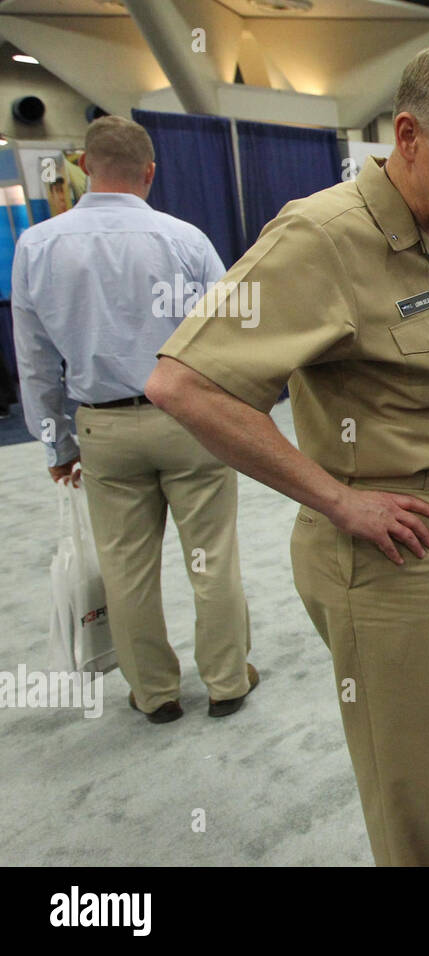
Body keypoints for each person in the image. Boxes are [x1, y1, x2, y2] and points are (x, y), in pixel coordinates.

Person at [144, 45, 429, 866]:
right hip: (384, 545)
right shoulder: (322, 236)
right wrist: (338, 500)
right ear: (409, 135)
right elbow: (185, 386)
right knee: (411, 761)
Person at [12, 115, 255, 725]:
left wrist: (54, 443)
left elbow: (35, 363)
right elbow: (228, 335)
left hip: (103, 429)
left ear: (84, 167)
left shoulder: (36, 245)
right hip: (189, 418)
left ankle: (154, 693)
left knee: (127, 568)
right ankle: (226, 680)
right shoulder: (186, 238)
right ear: (150, 172)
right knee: (214, 557)